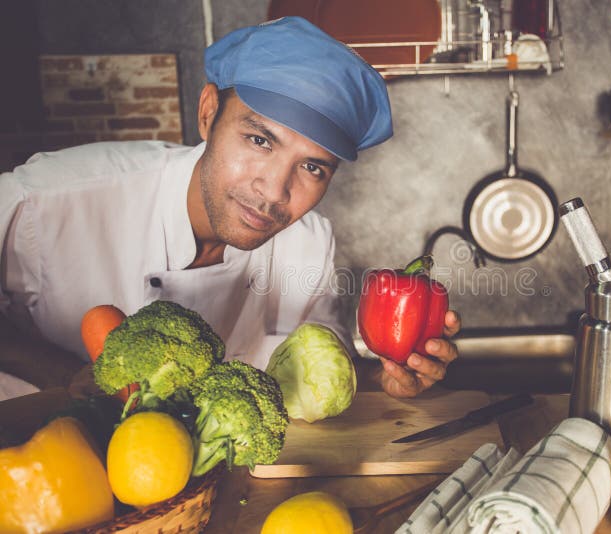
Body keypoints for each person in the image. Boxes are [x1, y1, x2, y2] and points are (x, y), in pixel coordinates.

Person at [0, 17, 460, 400]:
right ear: (208, 114)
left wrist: (386, 381)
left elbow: (321, 363)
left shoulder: (309, 244)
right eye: (259, 140)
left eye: (313, 168)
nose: (275, 190)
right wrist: (69, 378)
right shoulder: (45, 202)